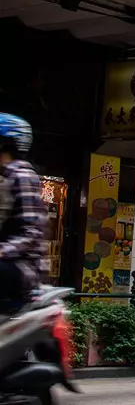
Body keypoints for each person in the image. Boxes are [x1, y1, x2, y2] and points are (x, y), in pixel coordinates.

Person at [0, 114, 45, 309]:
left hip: (22, 267)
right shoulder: (5, 176)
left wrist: (1, 251)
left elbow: (32, 235)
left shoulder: (22, 175)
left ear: (5, 143)